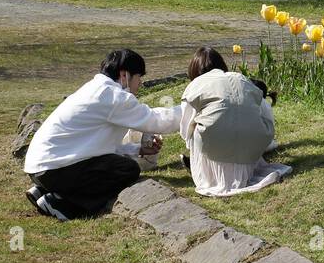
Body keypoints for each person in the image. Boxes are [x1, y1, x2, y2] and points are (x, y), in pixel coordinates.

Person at [23, 49, 180, 221]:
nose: (140, 83)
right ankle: (63, 204)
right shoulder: (114, 97)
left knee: (115, 163)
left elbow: (97, 146)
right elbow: (156, 121)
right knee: (126, 169)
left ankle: (45, 189)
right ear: (124, 75)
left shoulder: (94, 89)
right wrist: (189, 110)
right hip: (54, 170)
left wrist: (138, 149)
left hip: (40, 168)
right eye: (138, 77)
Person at [180, 47, 290, 196]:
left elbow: (185, 130)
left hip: (216, 150)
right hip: (251, 149)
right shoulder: (241, 79)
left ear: (194, 72)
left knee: (195, 130)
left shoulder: (196, 86)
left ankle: (208, 173)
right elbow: (264, 112)